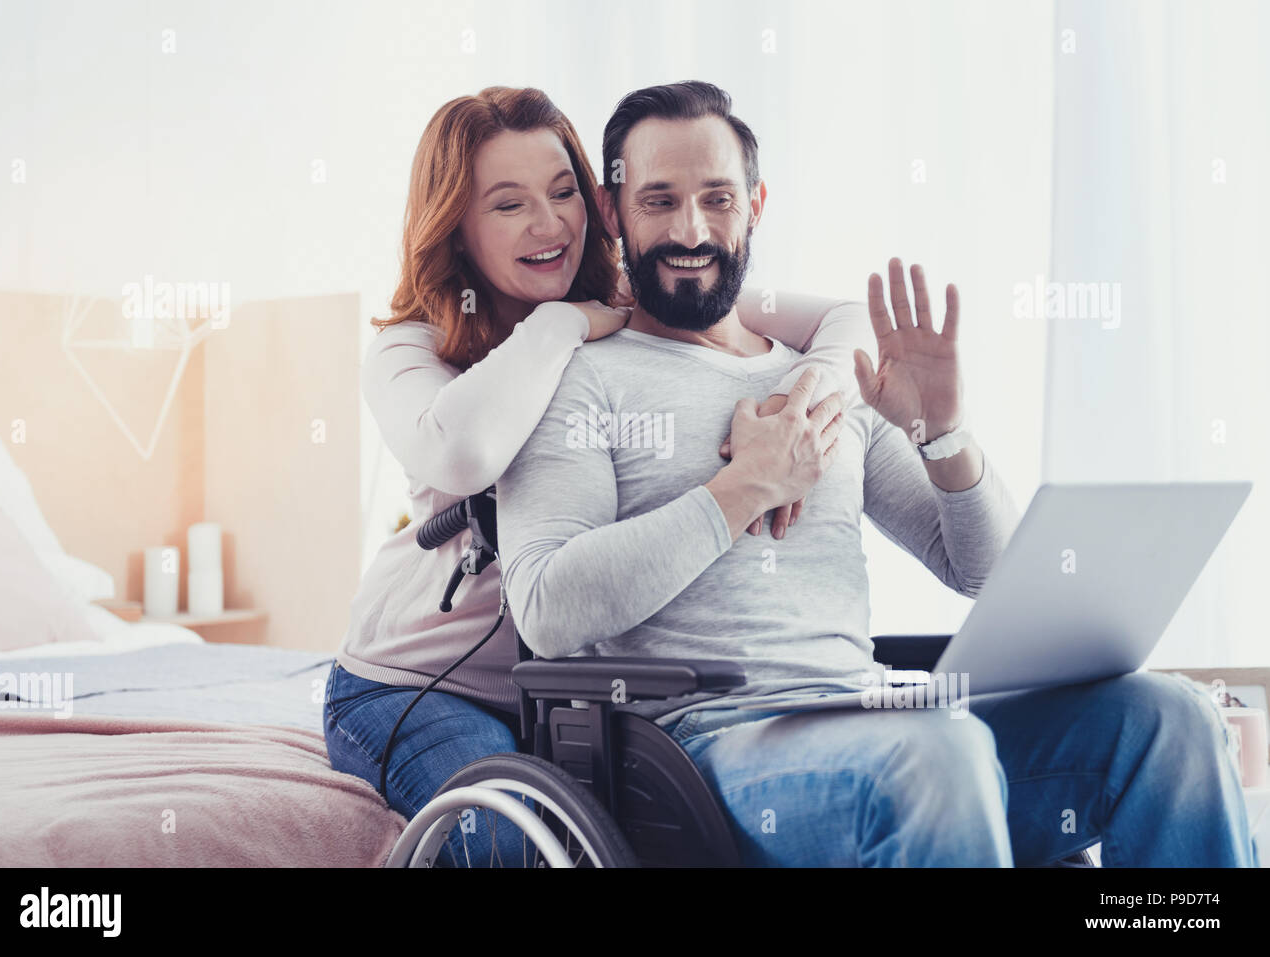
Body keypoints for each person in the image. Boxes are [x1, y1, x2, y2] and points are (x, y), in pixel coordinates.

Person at [496, 80, 1258, 866]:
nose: (692, 229)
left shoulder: (824, 379)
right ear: (612, 210)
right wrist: (741, 489)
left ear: (756, 205)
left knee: (1171, 721)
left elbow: (982, 570)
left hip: (870, 719)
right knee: (938, 754)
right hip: (709, 758)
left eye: (717, 199)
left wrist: (943, 431)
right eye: (659, 201)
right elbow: (548, 606)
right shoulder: (579, 381)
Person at [322, 85, 862, 866]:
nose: (549, 224)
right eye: (508, 204)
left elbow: (846, 319)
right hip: (422, 684)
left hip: (570, 695)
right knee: (515, 841)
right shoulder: (413, 350)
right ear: (458, 227)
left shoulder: (625, 303)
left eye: (564, 190)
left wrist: (798, 400)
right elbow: (465, 454)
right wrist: (563, 322)